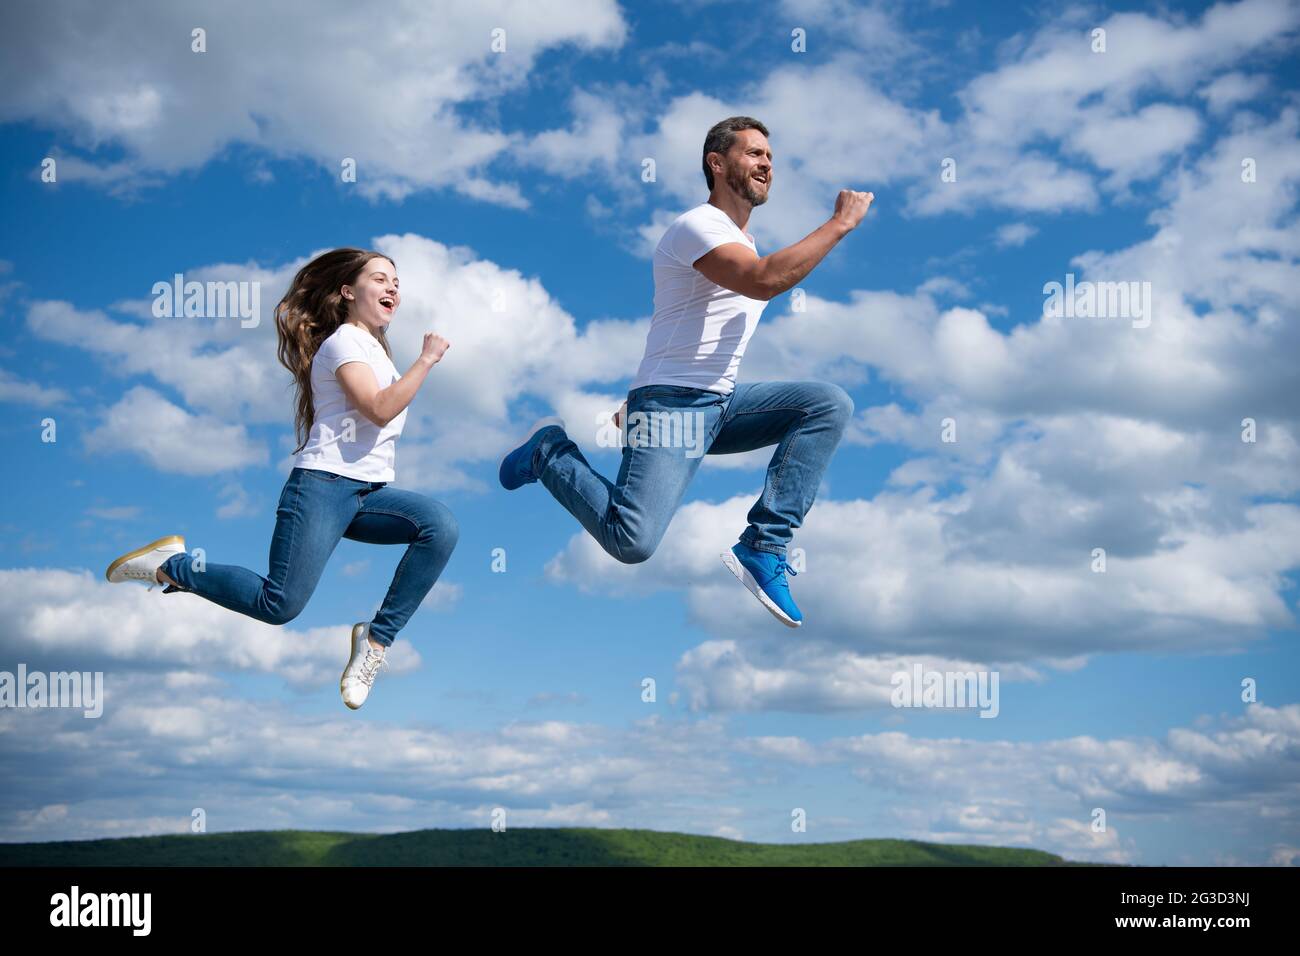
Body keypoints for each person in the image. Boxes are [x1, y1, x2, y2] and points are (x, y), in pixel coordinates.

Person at [499, 116, 872, 627]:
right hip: (673, 406)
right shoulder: (696, 226)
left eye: (770, 157)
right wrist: (839, 225)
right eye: (754, 153)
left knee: (826, 403)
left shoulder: (745, 240)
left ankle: (764, 545)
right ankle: (549, 452)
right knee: (632, 543)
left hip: (717, 404)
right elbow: (762, 282)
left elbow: (696, 323)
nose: (766, 163)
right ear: (716, 164)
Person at [105, 248, 458, 709]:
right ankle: (172, 565)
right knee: (280, 605)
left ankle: (375, 641)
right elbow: (379, 407)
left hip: (367, 495)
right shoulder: (343, 344)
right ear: (348, 292)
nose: (393, 287)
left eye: (396, 281)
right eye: (380, 278)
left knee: (440, 526)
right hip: (322, 488)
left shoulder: (376, 351)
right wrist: (426, 360)